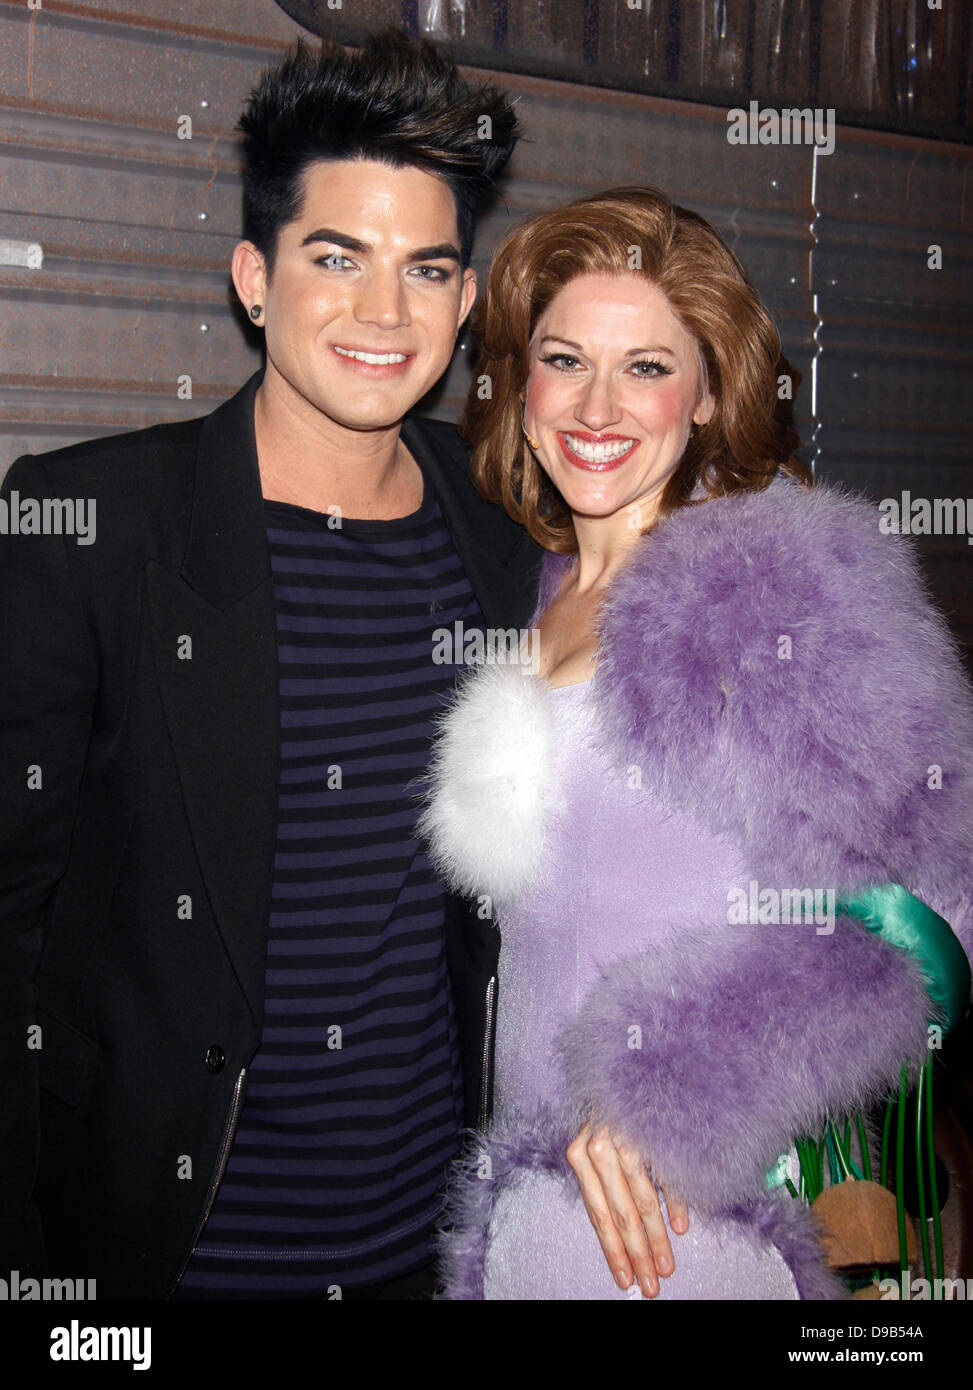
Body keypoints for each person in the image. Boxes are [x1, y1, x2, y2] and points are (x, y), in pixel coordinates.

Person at [0, 30, 545, 1301]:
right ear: (255, 277)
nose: (381, 313)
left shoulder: (511, 532)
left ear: (466, 305)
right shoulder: (93, 529)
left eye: (425, 271)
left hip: (432, 1256)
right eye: (334, 257)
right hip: (159, 1267)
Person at [420, 185, 973, 1299]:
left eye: (647, 367)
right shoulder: (526, 592)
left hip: (700, 1226)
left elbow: (941, 906)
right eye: (565, 358)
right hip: (529, 1220)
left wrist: (675, 1090)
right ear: (521, 384)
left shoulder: (779, 589)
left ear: (711, 394)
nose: (596, 405)